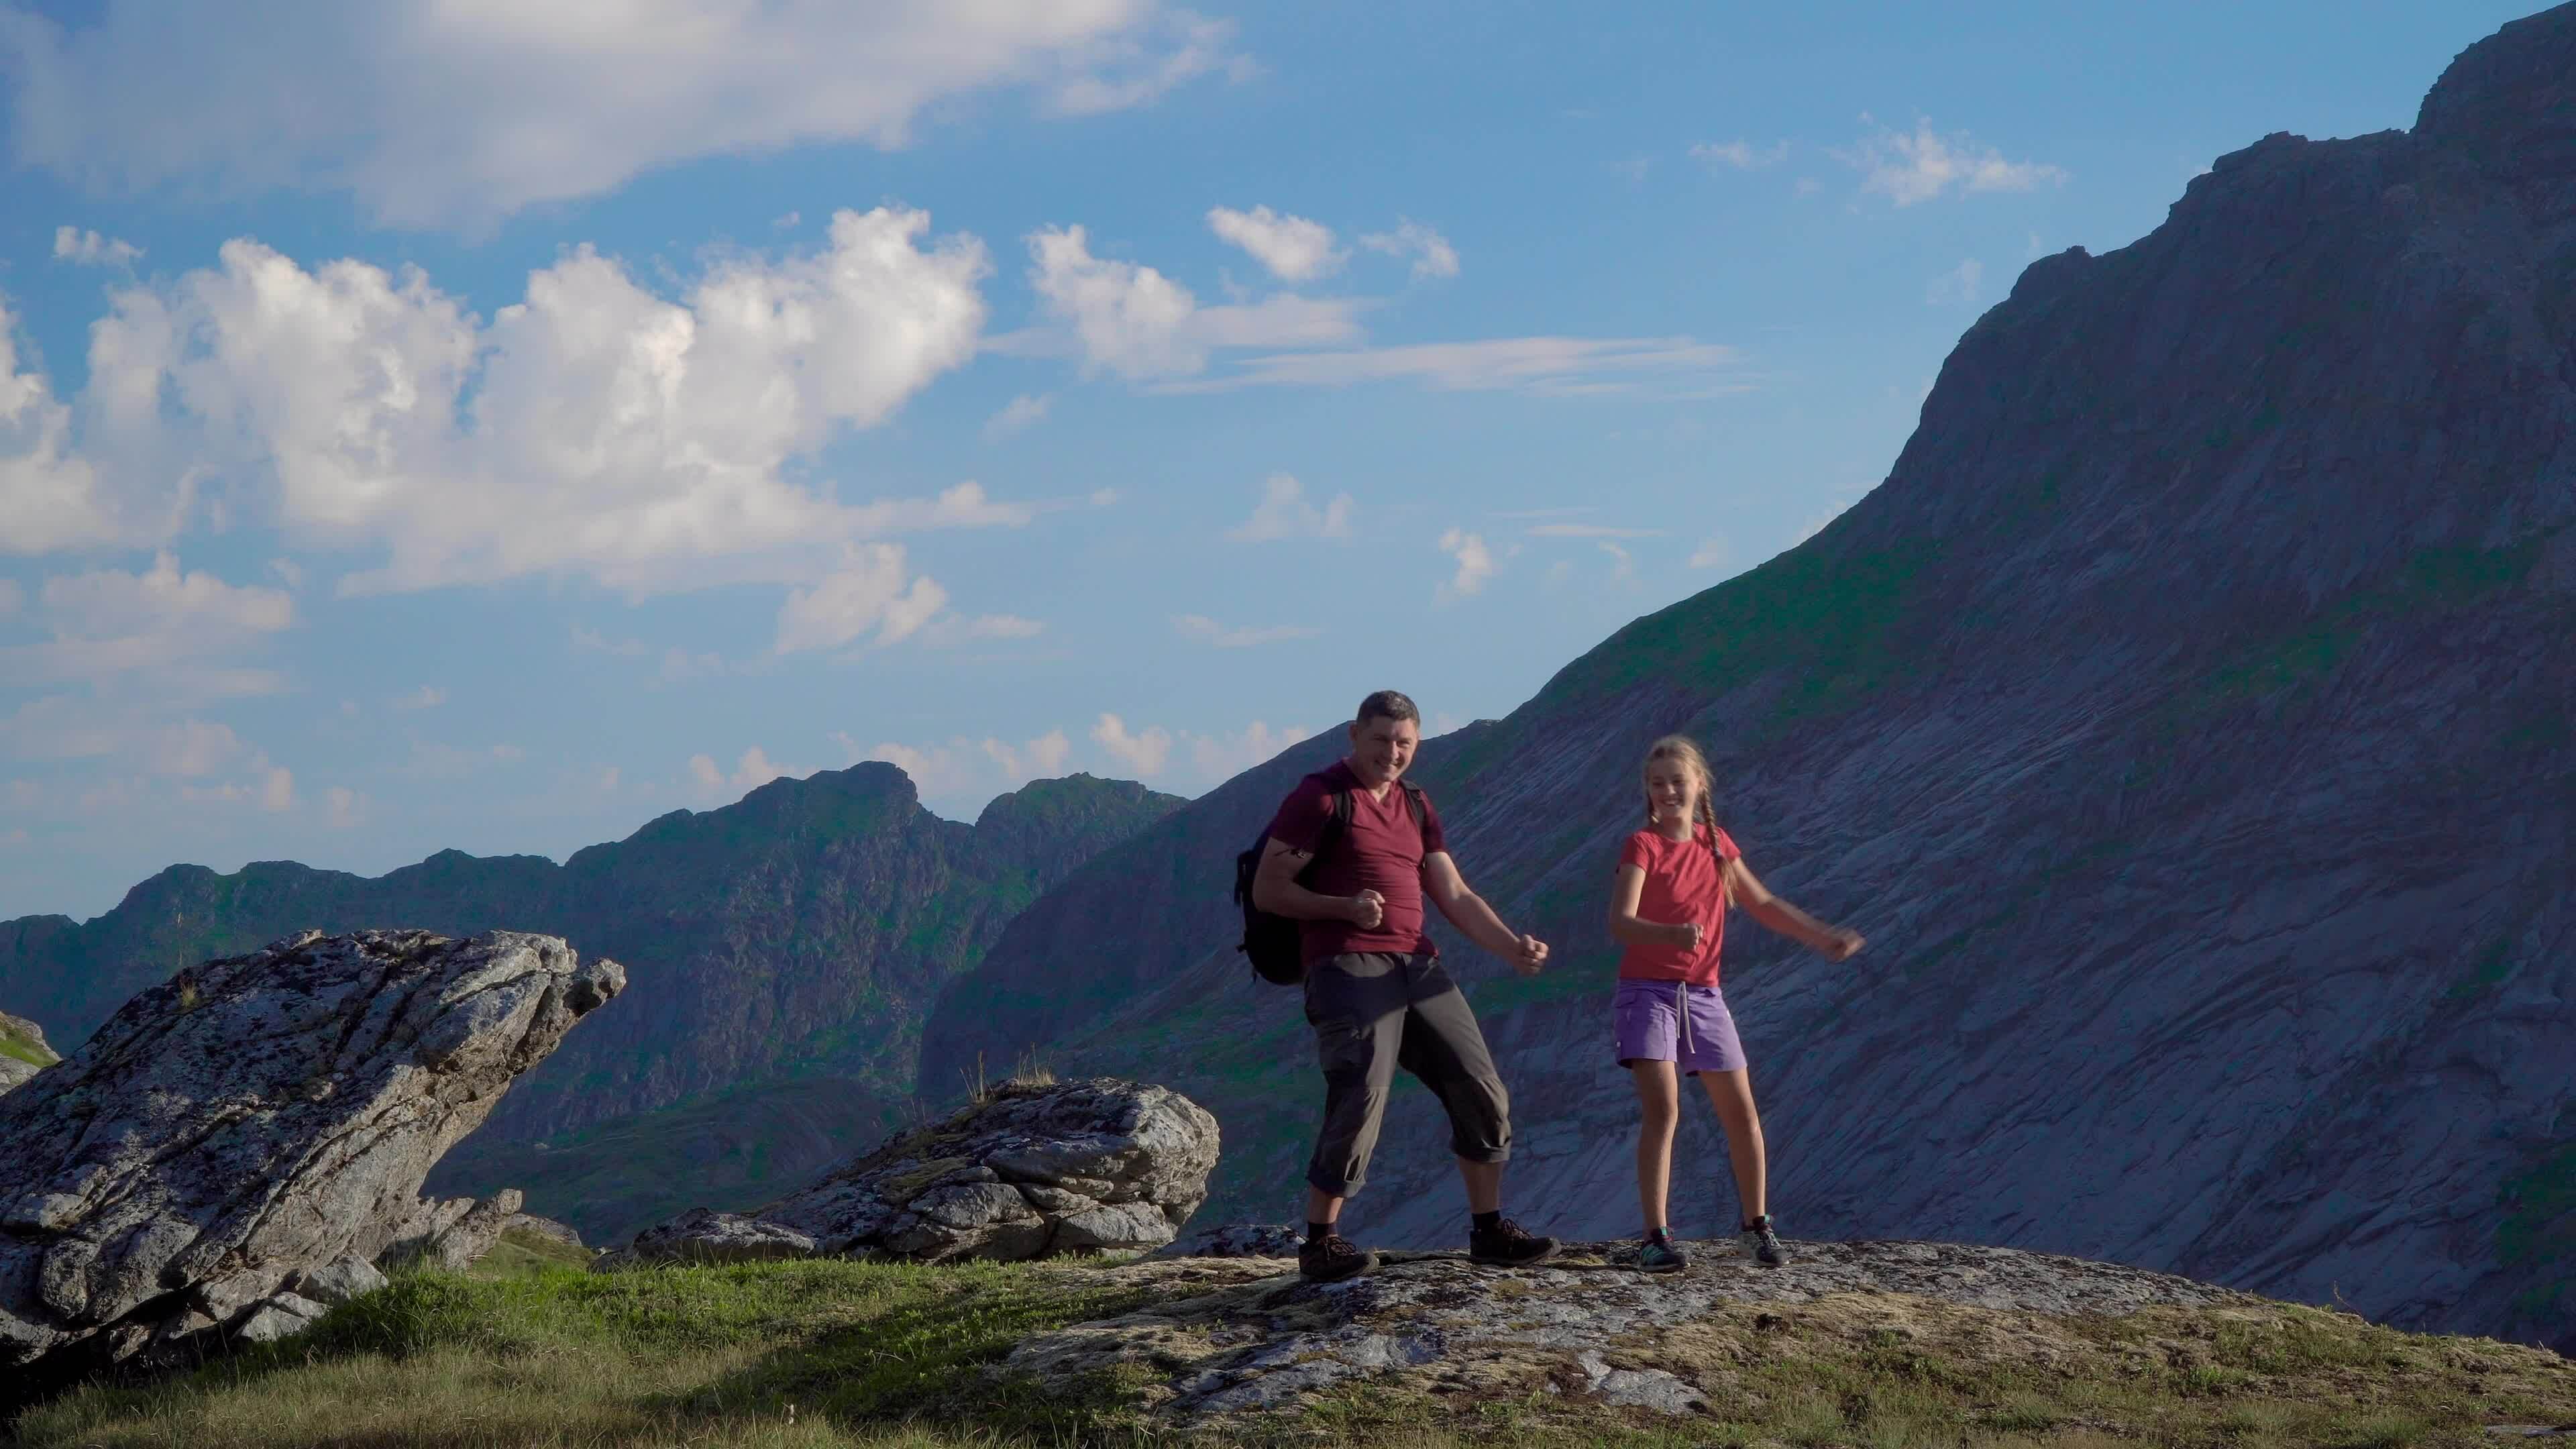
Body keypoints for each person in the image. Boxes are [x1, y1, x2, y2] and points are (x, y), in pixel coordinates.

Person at [1252, 689, 1560, 1283]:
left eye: (1404, 744)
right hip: (1346, 962)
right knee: (1362, 1088)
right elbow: (1270, 890)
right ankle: (1321, 1241)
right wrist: (1344, 906)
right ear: (1354, 736)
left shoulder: (1416, 803)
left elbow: (1455, 894)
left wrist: (1511, 947)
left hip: (1417, 965)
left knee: (1481, 1086)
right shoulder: (1319, 798)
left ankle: (1489, 1230)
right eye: (1381, 741)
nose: (1392, 754)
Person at [1605, 734, 1864, 1271]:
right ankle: (1656, 1236)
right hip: (1648, 992)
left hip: (1703, 993)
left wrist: (1820, 936)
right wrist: (1672, 935)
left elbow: (1762, 903)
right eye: (1659, 784)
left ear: (1700, 785)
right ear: (1647, 793)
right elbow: (1620, 921)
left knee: (1741, 1112)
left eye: (1678, 781)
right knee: (1664, 1110)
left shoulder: (1718, 846)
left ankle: (1756, 1226)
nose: (1669, 791)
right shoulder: (1642, 846)